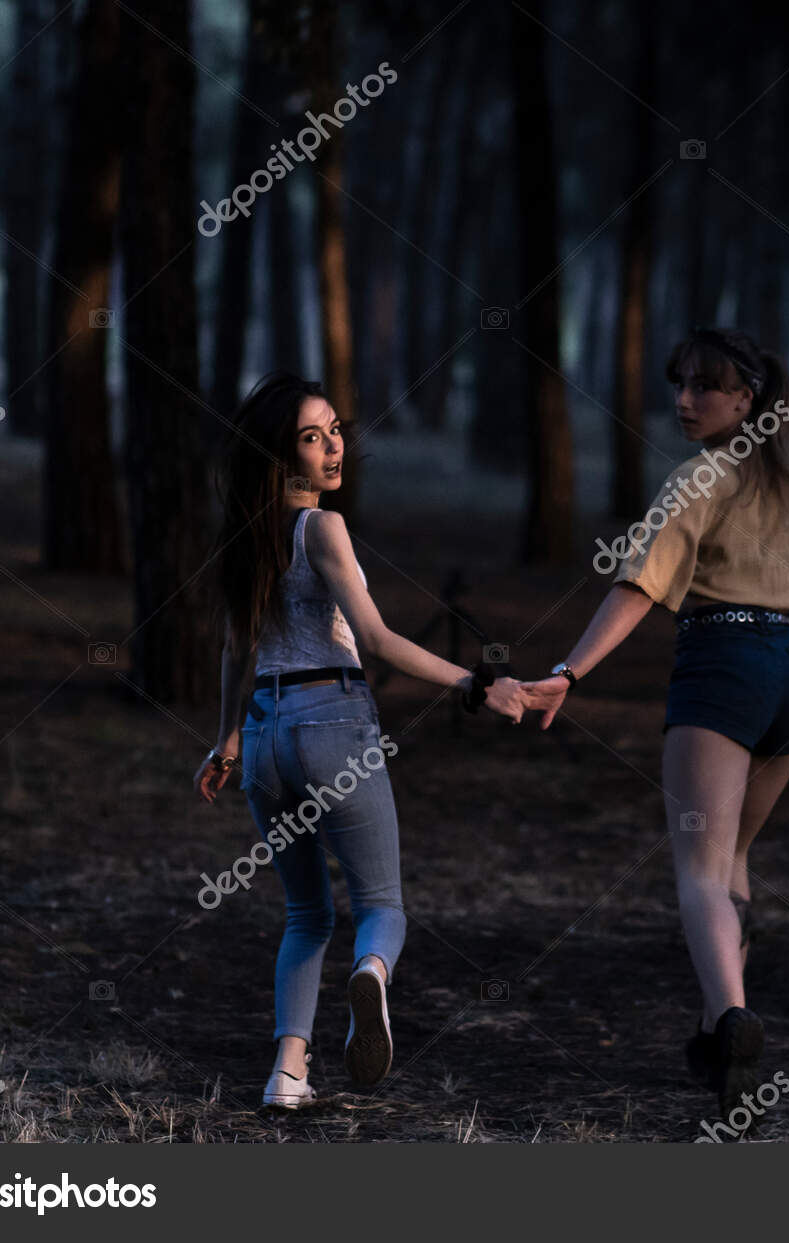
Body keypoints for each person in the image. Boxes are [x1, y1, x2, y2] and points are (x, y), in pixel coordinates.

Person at [523, 328, 789, 1126]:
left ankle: (732, 1017)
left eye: (706, 386)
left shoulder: (697, 480)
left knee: (697, 866)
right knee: (734, 857)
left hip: (723, 667)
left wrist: (568, 673)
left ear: (746, 401)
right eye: (681, 383)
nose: (686, 401)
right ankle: (714, 1032)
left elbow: (638, 586)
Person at [193, 372, 536, 1109]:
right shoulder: (322, 527)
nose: (332, 447)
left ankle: (287, 1074)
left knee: (306, 912)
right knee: (382, 903)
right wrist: (478, 683)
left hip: (264, 737)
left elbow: (236, 650)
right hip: (332, 722)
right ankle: (371, 974)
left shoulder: (246, 535)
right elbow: (376, 638)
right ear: (280, 454)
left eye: (335, 429)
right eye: (311, 437)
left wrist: (227, 742)